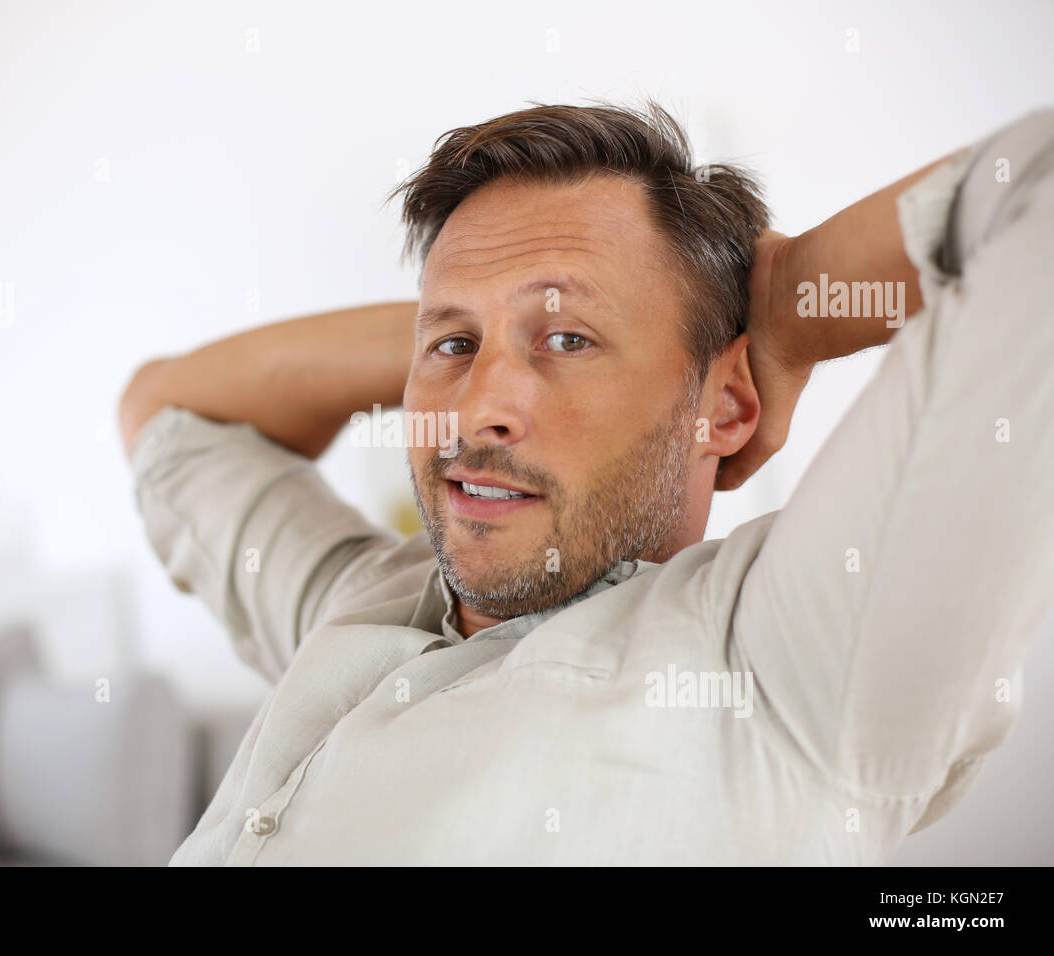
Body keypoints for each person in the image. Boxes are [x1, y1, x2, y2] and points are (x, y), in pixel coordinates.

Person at [119, 101, 1054, 865]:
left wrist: (791, 301)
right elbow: (168, 413)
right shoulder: (364, 599)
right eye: (452, 348)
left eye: (569, 340)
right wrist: (464, 328)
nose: (478, 410)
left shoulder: (788, 664)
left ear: (727, 406)